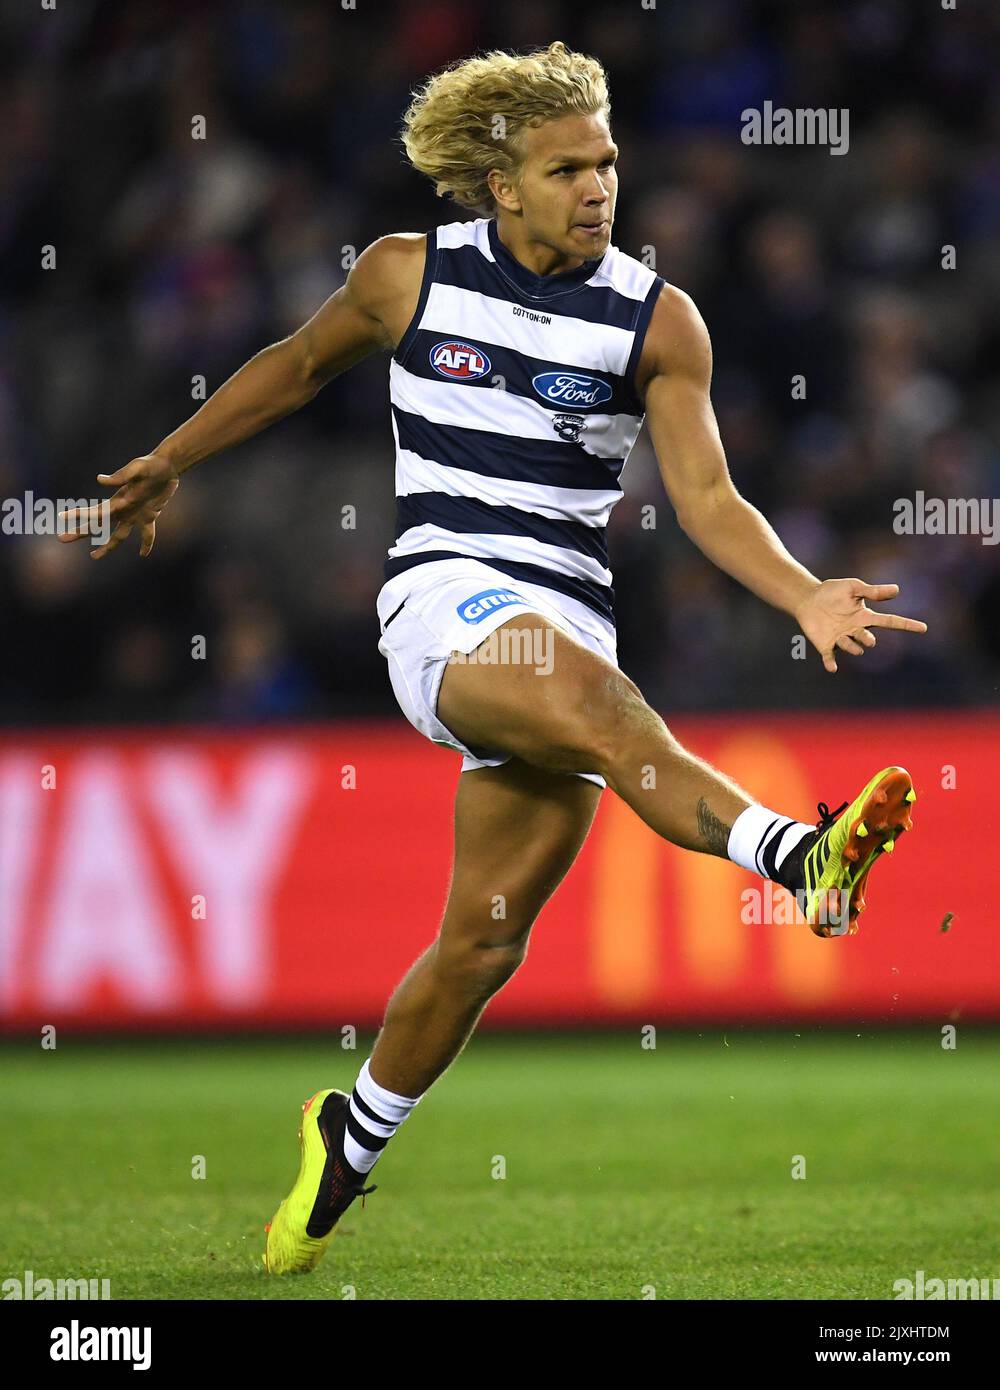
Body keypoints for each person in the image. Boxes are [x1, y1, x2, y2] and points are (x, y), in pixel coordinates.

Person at [59, 41, 926, 1278]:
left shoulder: (656, 318)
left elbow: (709, 496)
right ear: (499, 181)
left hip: (570, 621)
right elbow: (294, 370)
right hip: (444, 602)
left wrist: (800, 594)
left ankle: (345, 1137)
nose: (598, 187)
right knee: (609, 709)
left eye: (609, 162)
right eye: (568, 166)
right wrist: (171, 457)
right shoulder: (405, 275)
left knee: (483, 941)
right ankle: (801, 855)